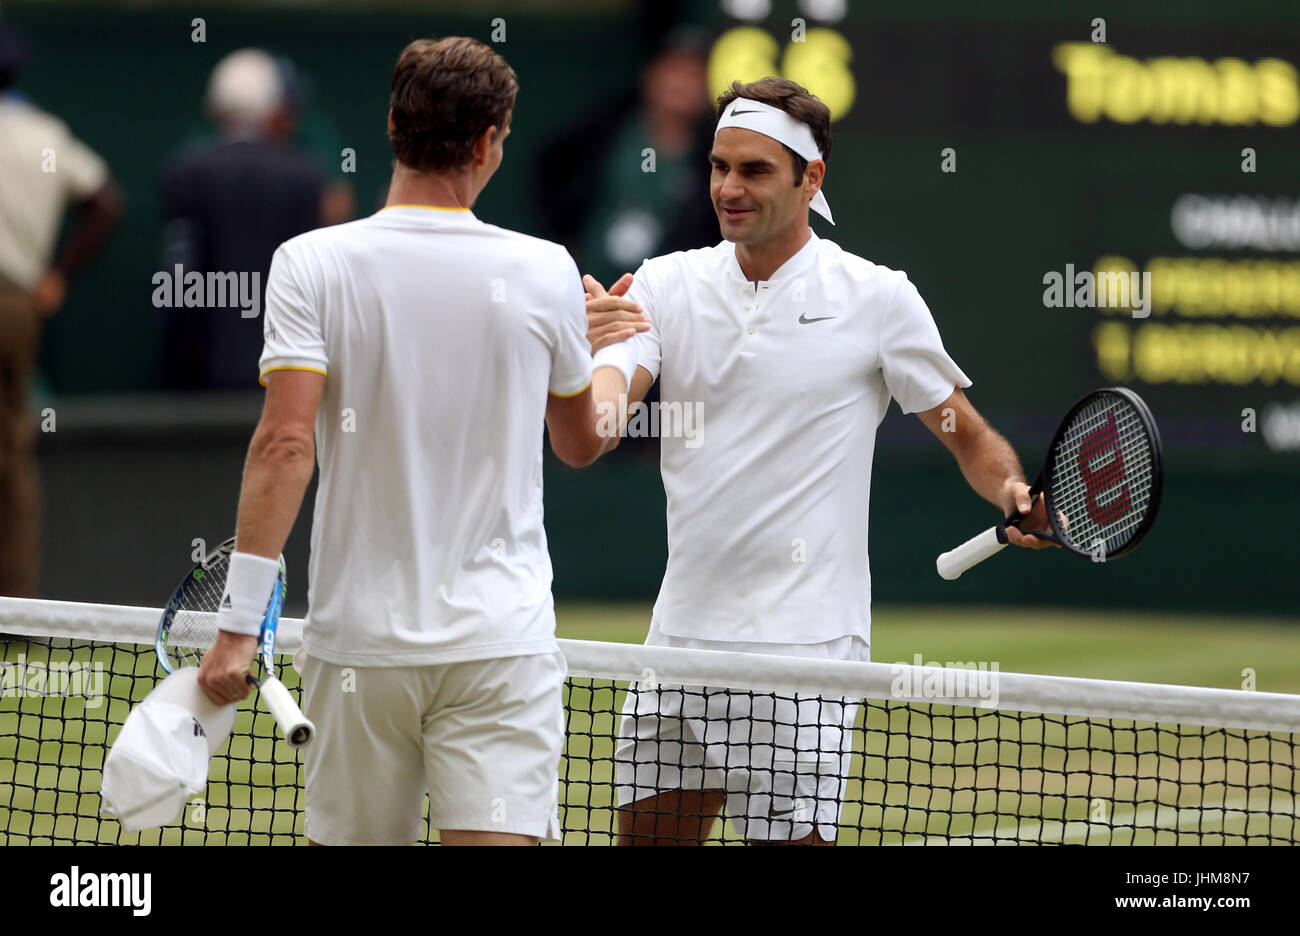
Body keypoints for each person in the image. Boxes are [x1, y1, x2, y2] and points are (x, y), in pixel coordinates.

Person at [585, 77, 1057, 845]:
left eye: (755, 171)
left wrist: (1010, 485)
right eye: (718, 167)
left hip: (805, 652)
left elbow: (964, 431)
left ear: (812, 178)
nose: (728, 189)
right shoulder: (665, 283)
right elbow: (599, 424)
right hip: (679, 639)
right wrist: (587, 356)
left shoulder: (877, 298)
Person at [195, 36, 603, 846]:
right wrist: (615, 356)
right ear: (489, 142)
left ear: (391, 124)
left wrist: (240, 624)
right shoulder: (547, 270)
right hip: (500, 648)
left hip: (363, 654)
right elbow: (582, 442)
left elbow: (284, 443)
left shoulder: (311, 263)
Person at [0, 22, 121, 598]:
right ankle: (16, 606)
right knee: (12, 449)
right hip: (15, 304)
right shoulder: (45, 134)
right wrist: (54, 278)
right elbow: (105, 201)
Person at [159, 48, 325, 390]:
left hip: (200, 373)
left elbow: (178, 276)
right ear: (272, 104)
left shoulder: (185, 171)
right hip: (285, 366)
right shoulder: (304, 176)